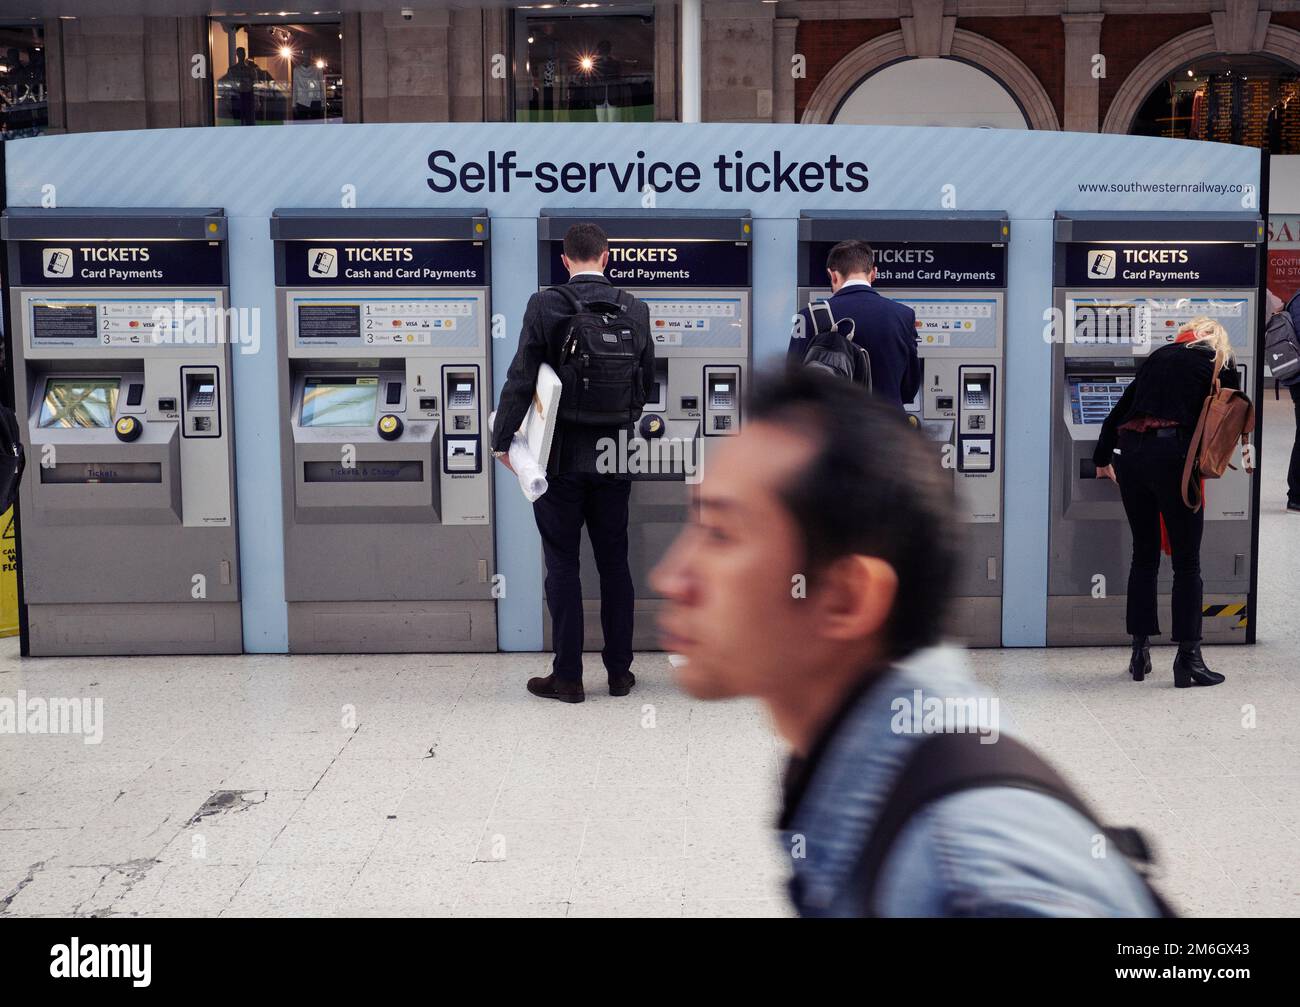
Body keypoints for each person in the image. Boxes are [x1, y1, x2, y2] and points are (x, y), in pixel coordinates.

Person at [650, 369, 1160, 917]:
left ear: (847, 598)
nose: (671, 577)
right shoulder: (882, 772)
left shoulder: (970, 877)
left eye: (721, 533)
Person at [492, 223, 654, 704]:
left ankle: (567, 678)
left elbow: (522, 376)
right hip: (615, 456)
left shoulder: (545, 304)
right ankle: (620, 674)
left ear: (565, 261)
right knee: (614, 564)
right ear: (607, 257)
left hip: (558, 458)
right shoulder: (634, 307)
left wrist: (504, 442)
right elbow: (644, 383)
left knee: (562, 564)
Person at [1094, 316, 1242, 688]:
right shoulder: (1220, 361)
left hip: (1132, 457)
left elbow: (1120, 412)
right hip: (1173, 459)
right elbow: (1229, 416)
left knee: (1143, 555)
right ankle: (1188, 659)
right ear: (1216, 339)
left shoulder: (1159, 357)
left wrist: (1101, 460)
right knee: (1187, 562)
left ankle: (1139, 652)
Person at [787, 239, 921, 410]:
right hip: (888, 427)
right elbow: (909, 389)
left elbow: (792, 382)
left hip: (835, 429)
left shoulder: (807, 316)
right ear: (874, 273)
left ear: (832, 274)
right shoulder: (904, 315)